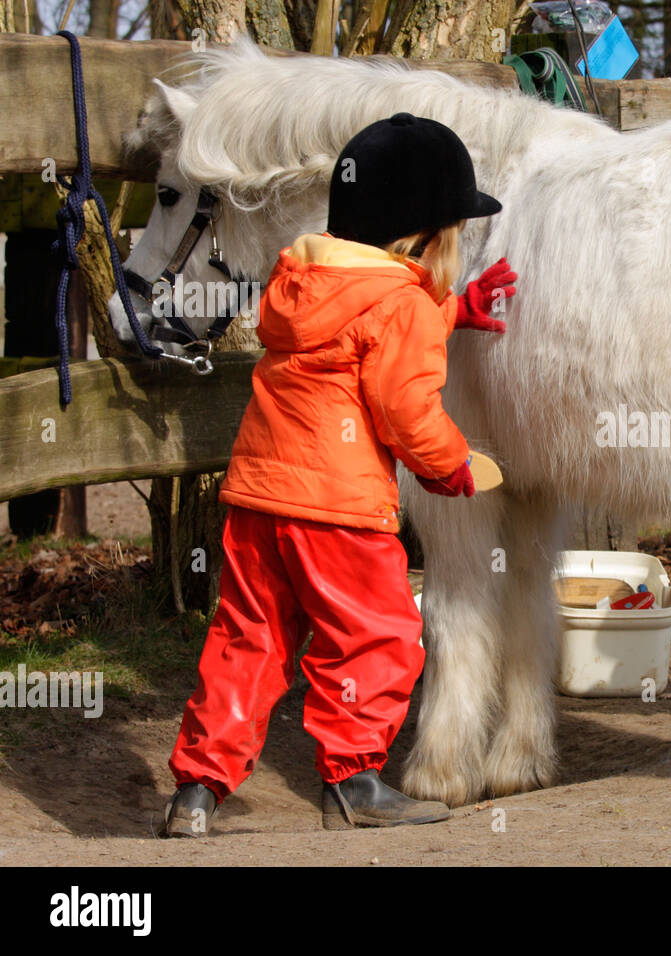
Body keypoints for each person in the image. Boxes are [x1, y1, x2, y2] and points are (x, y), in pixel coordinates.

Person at [161, 113, 516, 835]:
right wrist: (448, 467)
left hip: (260, 497)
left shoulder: (304, 279)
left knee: (247, 638)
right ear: (421, 237)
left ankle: (197, 790)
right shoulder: (404, 304)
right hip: (341, 512)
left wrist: (452, 313)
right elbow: (408, 410)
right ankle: (354, 779)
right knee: (380, 635)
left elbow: (358, 323)